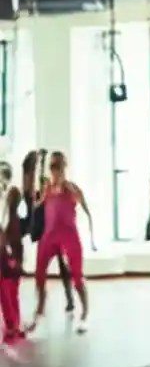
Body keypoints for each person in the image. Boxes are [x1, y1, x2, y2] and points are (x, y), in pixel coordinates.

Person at [26, 152, 93, 336]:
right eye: (53, 166)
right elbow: (35, 203)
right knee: (39, 274)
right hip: (50, 236)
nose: (56, 170)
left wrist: (92, 235)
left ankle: (85, 314)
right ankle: (39, 313)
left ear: (64, 167)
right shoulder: (47, 187)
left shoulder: (71, 189)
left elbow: (86, 208)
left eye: (59, 166)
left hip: (69, 236)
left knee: (77, 277)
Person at [20, 150, 73, 313]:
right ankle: (43, 302)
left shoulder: (63, 187)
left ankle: (69, 297)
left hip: (52, 227)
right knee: (43, 269)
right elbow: (34, 196)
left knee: (61, 264)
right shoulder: (44, 187)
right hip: (41, 223)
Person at [1, 161, 24, 355]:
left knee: (10, 288)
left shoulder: (13, 195)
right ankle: (12, 324)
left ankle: (13, 325)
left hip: (11, 248)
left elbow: (16, 220)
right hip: (4, 247)